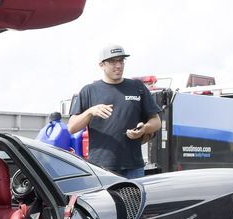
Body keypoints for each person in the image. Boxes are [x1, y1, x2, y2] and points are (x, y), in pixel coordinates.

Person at [68, 44, 162, 178]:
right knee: (104, 200)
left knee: (135, 200)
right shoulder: (89, 91)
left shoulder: (137, 87)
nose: (118, 65)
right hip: (101, 168)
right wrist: (90, 112)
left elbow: (156, 121)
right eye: (113, 61)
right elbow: (71, 127)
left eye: (121, 60)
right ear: (101, 64)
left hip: (133, 167)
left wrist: (144, 129)